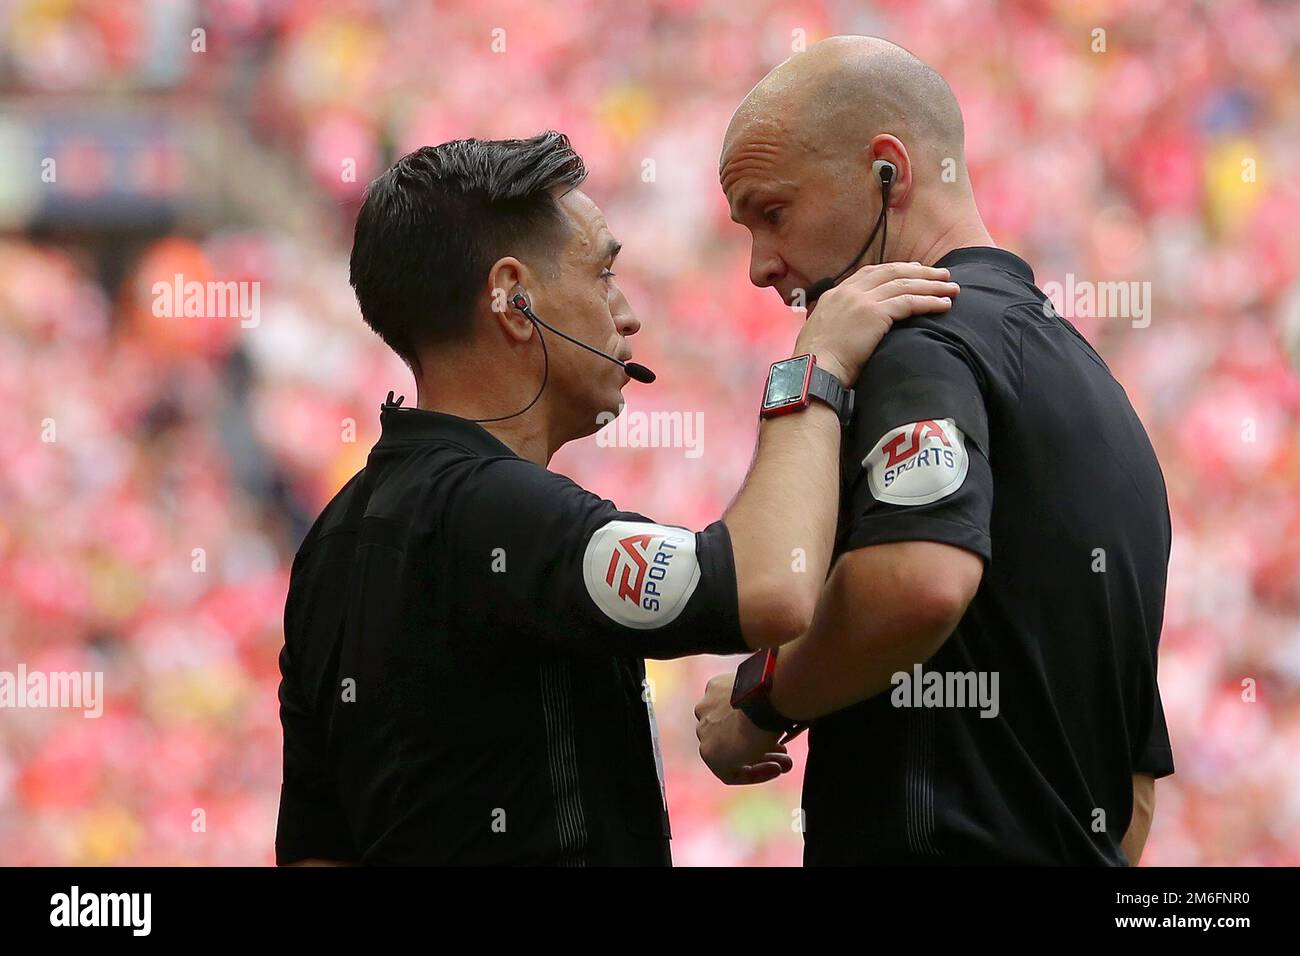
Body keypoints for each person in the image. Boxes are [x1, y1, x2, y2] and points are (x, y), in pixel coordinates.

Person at [275, 131, 959, 865]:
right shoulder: (496, 511)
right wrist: (812, 369)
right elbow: (771, 585)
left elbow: (317, 851)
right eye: (603, 275)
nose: (627, 314)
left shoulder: (329, 545)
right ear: (512, 298)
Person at [694, 36, 1174, 866]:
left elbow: (918, 582)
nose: (759, 267)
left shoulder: (916, 343)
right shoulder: (1100, 392)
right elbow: (1133, 799)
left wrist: (761, 697)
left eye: (773, 214)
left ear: (890, 171)